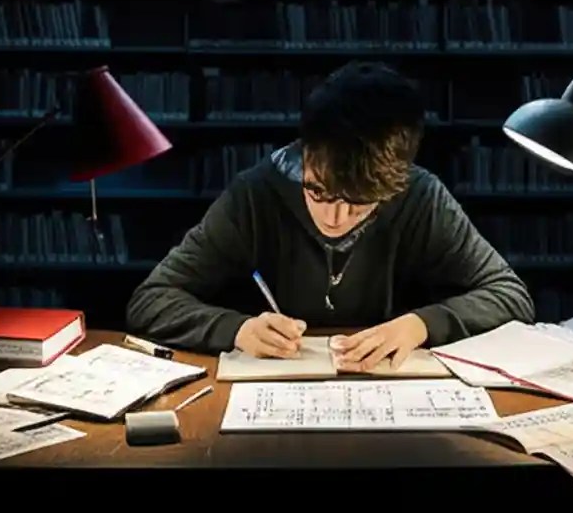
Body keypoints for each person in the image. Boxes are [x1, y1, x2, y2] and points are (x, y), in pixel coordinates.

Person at [126, 61, 534, 371]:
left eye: (358, 203)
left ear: (395, 184)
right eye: (317, 191)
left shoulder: (420, 196)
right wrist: (236, 330)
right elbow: (151, 300)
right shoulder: (255, 194)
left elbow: (511, 296)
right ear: (305, 155)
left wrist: (421, 325)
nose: (335, 218)